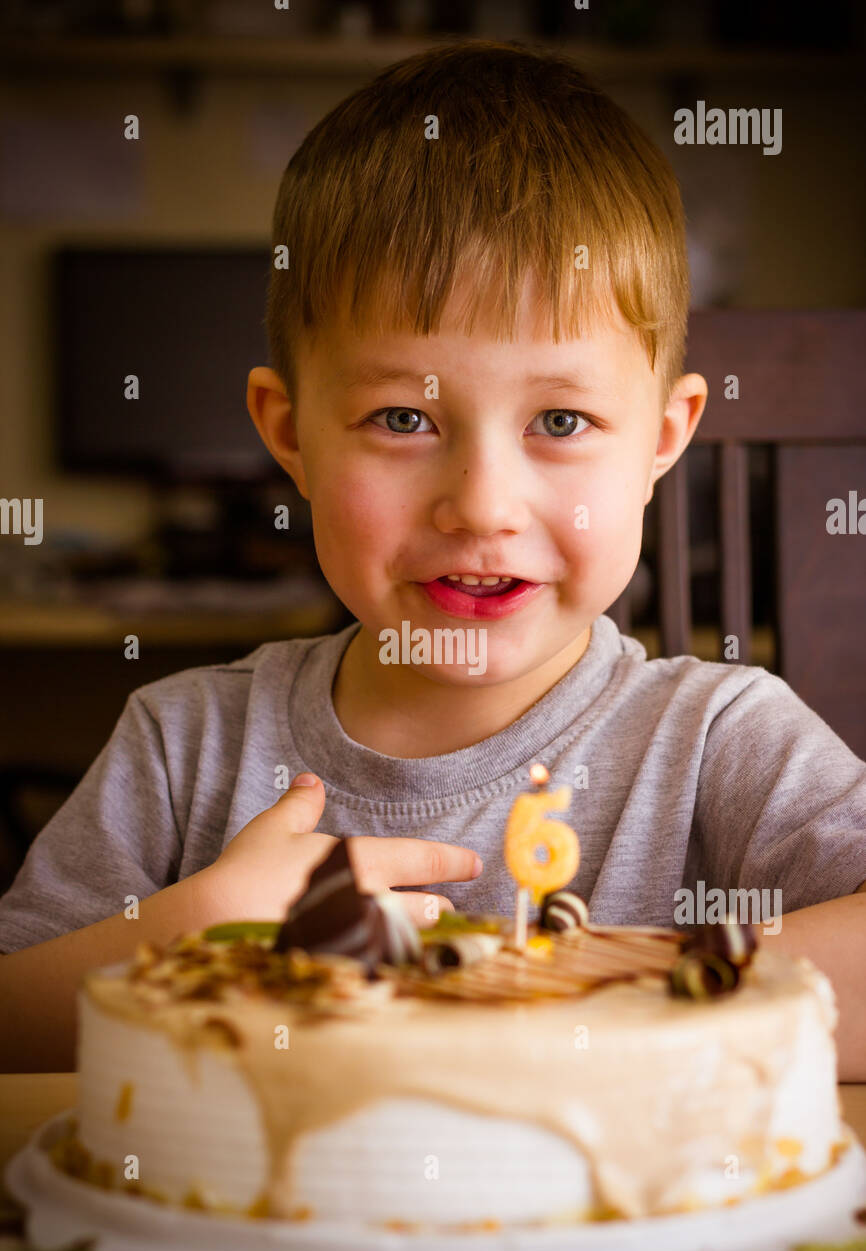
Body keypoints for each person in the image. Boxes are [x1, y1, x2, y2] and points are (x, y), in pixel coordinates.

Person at [1, 41, 864, 1075]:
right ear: (289, 435)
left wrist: (587, 983)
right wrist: (190, 934)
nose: (481, 504)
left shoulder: (718, 740)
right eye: (402, 417)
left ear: (660, 441)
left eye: (560, 417)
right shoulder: (185, 746)